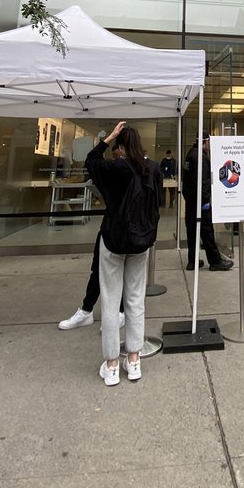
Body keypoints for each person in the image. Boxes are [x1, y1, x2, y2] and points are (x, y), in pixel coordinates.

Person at [86, 121, 162, 386]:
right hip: (141, 243)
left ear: (120, 146)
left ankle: (111, 364)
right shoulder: (152, 169)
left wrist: (107, 139)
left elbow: (91, 160)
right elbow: (157, 205)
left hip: (114, 240)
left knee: (110, 301)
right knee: (135, 300)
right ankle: (134, 360)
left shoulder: (114, 168)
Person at [58, 137, 125, 332]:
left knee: (125, 272)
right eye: (115, 157)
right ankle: (86, 309)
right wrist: (110, 138)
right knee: (98, 270)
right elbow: (92, 160)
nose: (117, 160)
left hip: (127, 230)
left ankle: (120, 312)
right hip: (109, 228)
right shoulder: (110, 172)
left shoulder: (137, 170)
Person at [182, 132, 233, 271]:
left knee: (192, 232)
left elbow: (186, 181)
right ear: (205, 141)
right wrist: (205, 201)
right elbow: (203, 181)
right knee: (207, 232)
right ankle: (215, 261)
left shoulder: (190, 154)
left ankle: (192, 261)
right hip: (199, 202)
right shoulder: (200, 157)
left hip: (191, 202)